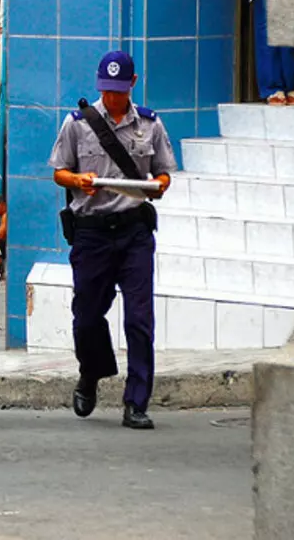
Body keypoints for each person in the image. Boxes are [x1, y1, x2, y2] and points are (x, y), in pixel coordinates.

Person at [48, 51, 177, 431]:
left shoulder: (150, 125)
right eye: (107, 89)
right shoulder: (77, 125)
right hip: (91, 233)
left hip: (134, 231)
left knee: (140, 319)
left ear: (132, 85)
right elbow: (59, 171)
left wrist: (159, 186)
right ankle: (92, 373)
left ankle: (137, 402)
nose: (113, 97)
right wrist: (78, 181)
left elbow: (164, 173)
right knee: (87, 316)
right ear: (99, 84)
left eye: (119, 91)